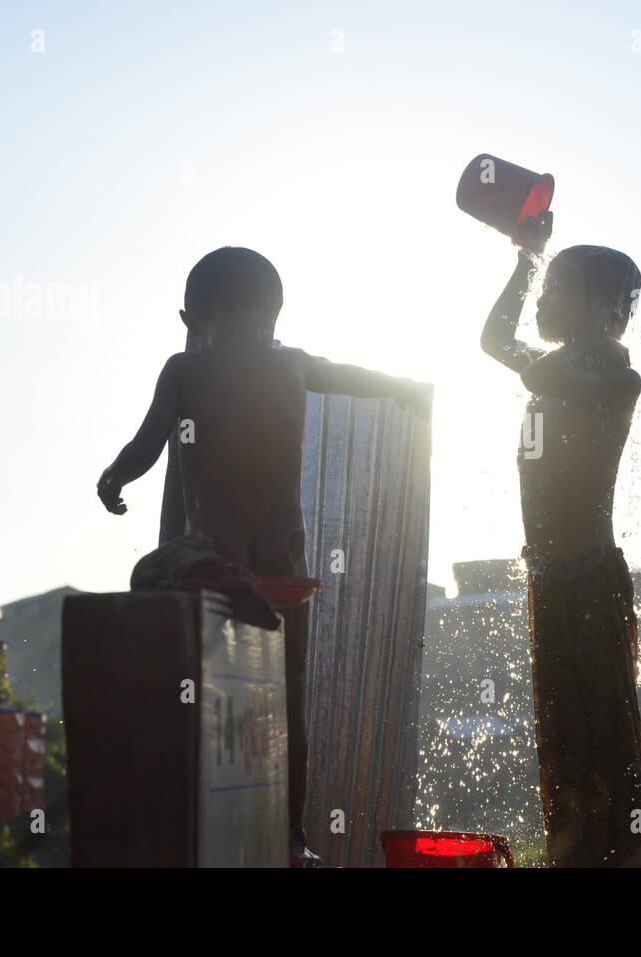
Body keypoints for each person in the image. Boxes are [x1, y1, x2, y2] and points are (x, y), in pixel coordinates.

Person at [97, 246, 427, 867]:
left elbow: (146, 444)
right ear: (276, 312)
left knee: (210, 694)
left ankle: (212, 827)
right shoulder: (294, 365)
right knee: (287, 701)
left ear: (196, 318)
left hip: (214, 571)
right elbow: (361, 377)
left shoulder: (185, 369)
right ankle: (291, 835)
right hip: (284, 569)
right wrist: (406, 389)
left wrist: (112, 479)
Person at [480, 213, 641, 867]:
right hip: (552, 581)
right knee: (563, 741)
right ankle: (576, 859)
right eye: (544, 286)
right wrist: (527, 258)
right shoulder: (559, 365)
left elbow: (532, 369)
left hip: (589, 579)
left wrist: (536, 260)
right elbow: (494, 337)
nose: (542, 301)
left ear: (601, 308)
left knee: (609, 740)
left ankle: (630, 860)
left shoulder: (616, 378)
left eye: (556, 287)